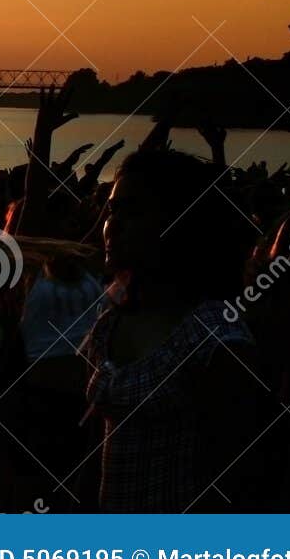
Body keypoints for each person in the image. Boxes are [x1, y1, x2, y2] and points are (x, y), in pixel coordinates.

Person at [81, 147, 268, 512]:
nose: (112, 224)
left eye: (132, 212)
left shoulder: (216, 340)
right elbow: (95, 455)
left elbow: (235, 486)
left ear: (178, 224)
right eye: (113, 209)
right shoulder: (109, 324)